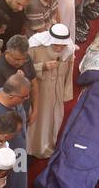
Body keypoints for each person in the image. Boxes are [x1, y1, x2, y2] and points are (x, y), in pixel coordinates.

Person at [26, 22, 73, 158]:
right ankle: (32, 149)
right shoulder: (35, 46)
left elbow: (68, 73)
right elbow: (24, 69)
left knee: (53, 119)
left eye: (62, 45)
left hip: (56, 92)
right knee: (37, 121)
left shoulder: (68, 50)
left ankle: (48, 146)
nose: (59, 48)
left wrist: (65, 93)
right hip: (38, 92)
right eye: (56, 45)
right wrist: (43, 67)